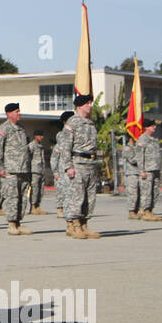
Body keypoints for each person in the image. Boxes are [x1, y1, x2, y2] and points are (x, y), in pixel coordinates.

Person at [62, 94, 100, 239]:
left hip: (90, 164)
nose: (90, 106)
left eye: (90, 103)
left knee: (90, 198)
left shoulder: (90, 123)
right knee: (77, 197)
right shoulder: (73, 123)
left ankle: (84, 225)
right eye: (87, 103)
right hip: (78, 163)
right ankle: (75, 225)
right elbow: (66, 147)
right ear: (80, 106)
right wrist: (68, 166)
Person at [0, 102, 32, 236]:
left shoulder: (21, 128)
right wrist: (0, 167)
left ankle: (19, 223)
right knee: (12, 197)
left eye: (19, 111)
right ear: (9, 114)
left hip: (23, 169)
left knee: (22, 198)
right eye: (16, 111)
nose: (19, 113)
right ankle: (11, 224)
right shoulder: (3, 129)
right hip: (10, 169)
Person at [135, 119, 162, 221]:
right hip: (147, 170)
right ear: (146, 127)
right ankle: (145, 211)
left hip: (155, 168)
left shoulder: (154, 140)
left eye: (154, 125)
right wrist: (141, 170)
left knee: (155, 191)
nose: (154, 127)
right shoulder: (142, 140)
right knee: (146, 191)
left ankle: (150, 210)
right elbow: (139, 156)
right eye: (152, 126)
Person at [122, 133, 142, 219]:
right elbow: (133, 160)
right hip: (132, 174)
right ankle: (131, 211)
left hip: (139, 173)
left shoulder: (135, 148)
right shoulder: (127, 148)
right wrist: (141, 156)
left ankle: (138, 210)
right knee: (133, 194)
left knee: (140, 193)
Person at [27, 130, 47, 214]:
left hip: (41, 170)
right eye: (40, 135)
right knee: (34, 189)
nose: (41, 137)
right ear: (35, 136)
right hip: (34, 170)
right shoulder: (31, 145)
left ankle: (38, 205)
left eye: (42, 136)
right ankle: (33, 206)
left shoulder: (40, 146)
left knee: (40, 189)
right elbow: (28, 158)